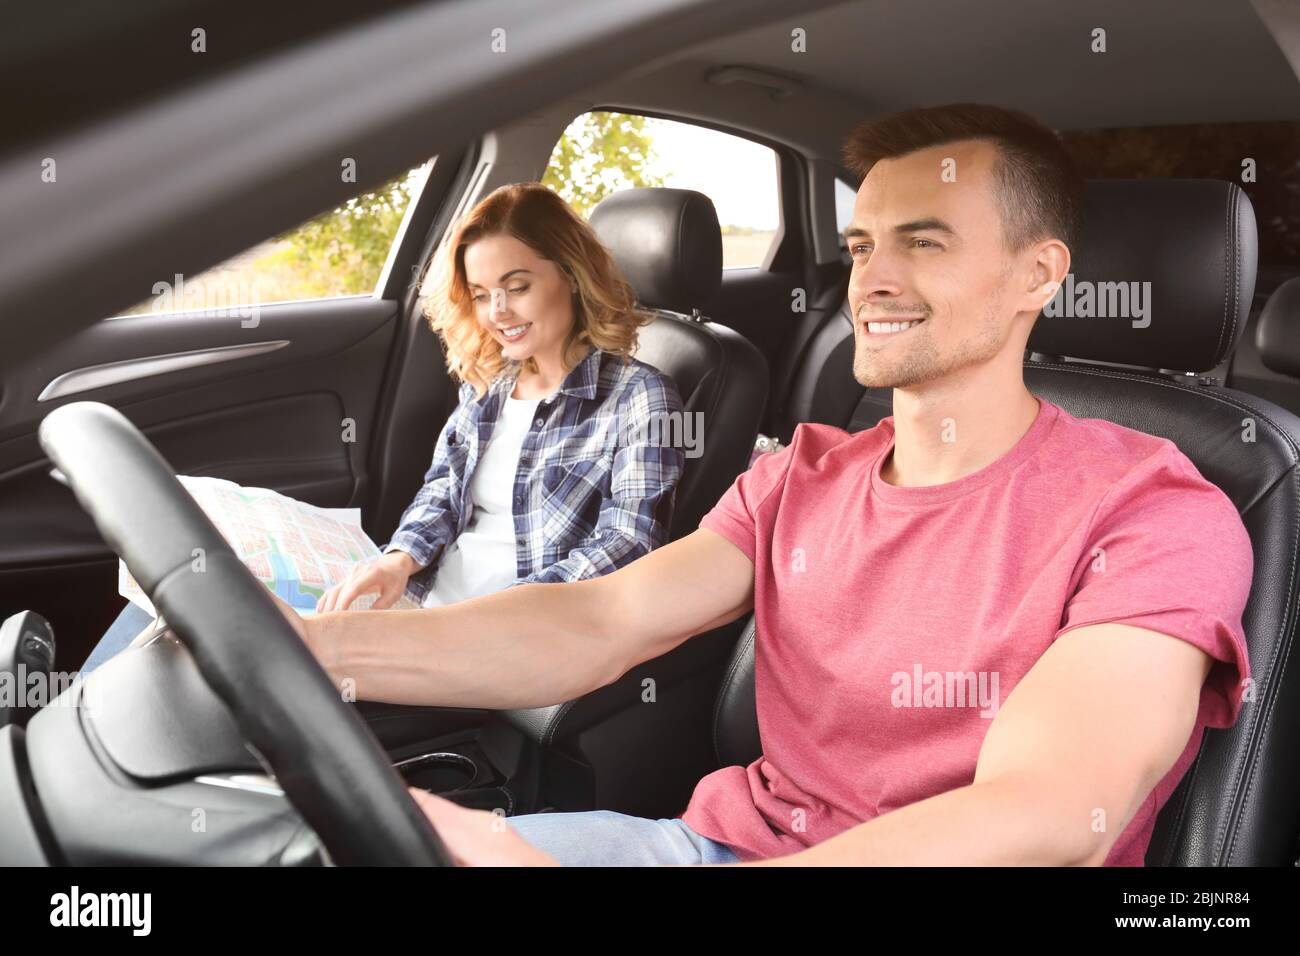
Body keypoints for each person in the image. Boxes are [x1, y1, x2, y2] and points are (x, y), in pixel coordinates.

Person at [282, 102, 1251, 867]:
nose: (869, 279)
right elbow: (597, 620)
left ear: (1038, 274)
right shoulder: (804, 473)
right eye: (864, 243)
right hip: (712, 845)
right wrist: (309, 648)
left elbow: (1048, 814)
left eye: (922, 241)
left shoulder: (1154, 511)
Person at [82, 182, 686, 674]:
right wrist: (397, 561)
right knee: (190, 588)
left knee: (236, 642)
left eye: (517, 287)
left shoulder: (642, 399)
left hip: (500, 642)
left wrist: (490, 620)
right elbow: (444, 491)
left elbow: (627, 549)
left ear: (572, 277)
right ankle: (63, 743)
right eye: (480, 295)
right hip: (425, 606)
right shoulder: (493, 386)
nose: (498, 312)